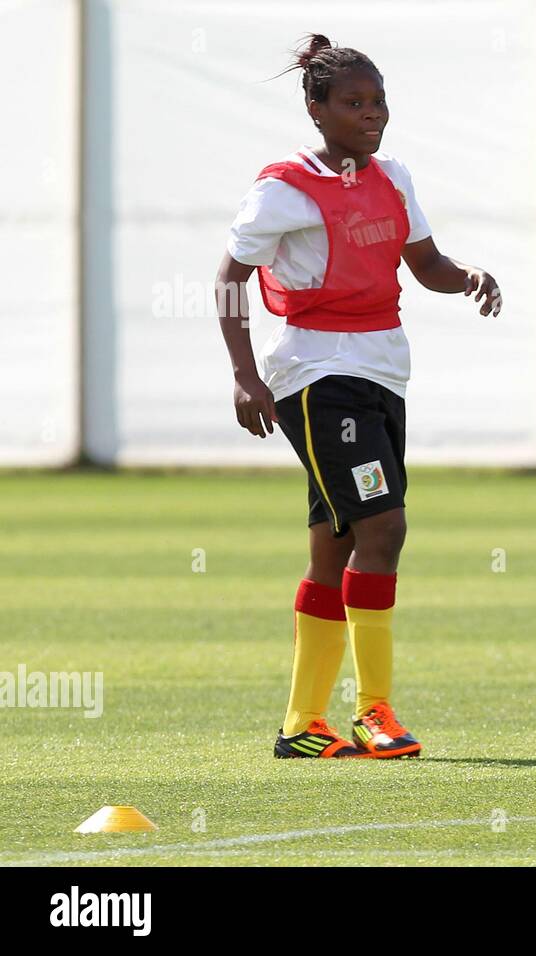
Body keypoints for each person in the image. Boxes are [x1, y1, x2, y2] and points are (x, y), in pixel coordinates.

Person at [214, 35, 502, 759]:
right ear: (316, 111)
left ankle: (300, 727)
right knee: (384, 530)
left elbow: (426, 264)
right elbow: (228, 276)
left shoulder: (394, 176)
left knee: (335, 544)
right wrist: (246, 375)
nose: (371, 115)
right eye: (353, 103)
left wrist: (468, 275)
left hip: (382, 371)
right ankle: (374, 712)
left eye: (377, 102)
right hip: (316, 377)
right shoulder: (284, 188)